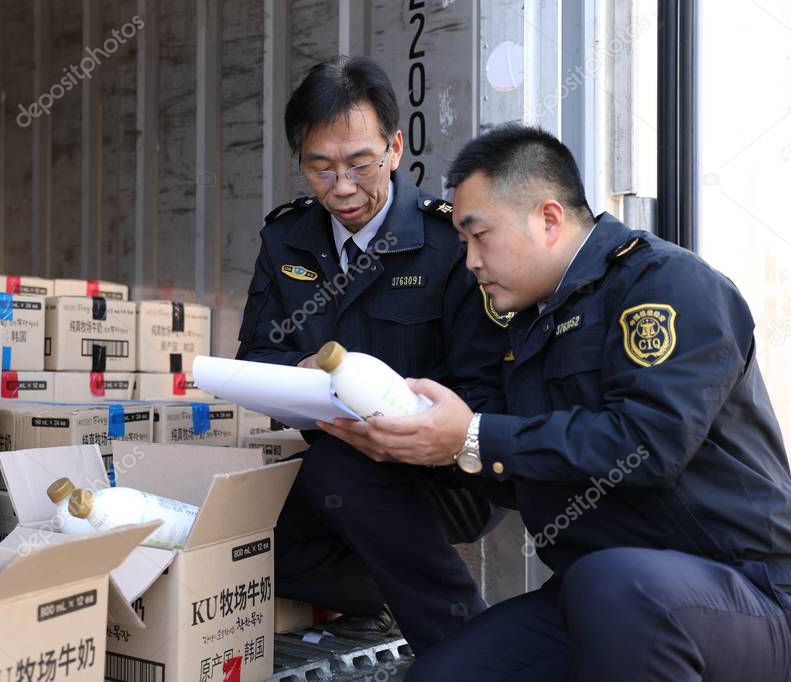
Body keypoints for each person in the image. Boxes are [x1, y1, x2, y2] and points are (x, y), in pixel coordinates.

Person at [320, 123, 791, 681]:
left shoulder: (667, 285)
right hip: (596, 593)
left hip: (743, 593)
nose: (468, 261)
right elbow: (521, 468)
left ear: (547, 219)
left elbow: (650, 444)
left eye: (479, 237)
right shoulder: (524, 323)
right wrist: (424, 444)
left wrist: (473, 435)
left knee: (615, 587)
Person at [235, 56, 510, 654]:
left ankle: (471, 651)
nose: (342, 188)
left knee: (340, 473)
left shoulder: (446, 242)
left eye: (361, 164)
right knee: (234, 539)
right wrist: (295, 374)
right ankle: (376, 600)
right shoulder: (285, 238)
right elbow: (258, 353)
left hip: (445, 470)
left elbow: (487, 384)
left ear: (394, 148)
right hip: (332, 456)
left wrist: (424, 430)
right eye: (320, 167)